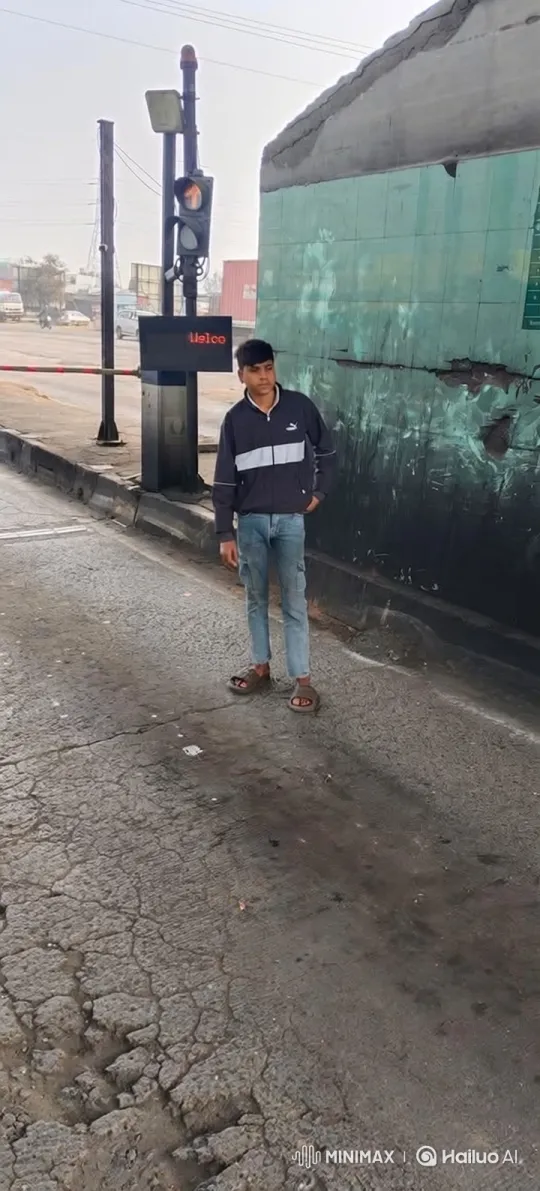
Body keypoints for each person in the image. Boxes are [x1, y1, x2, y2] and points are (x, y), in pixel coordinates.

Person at [213, 338, 335, 713]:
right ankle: (261, 667)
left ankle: (303, 680)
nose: (264, 377)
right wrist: (224, 532)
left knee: (295, 600)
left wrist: (318, 494)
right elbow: (223, 480)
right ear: (242, 376)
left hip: (290, 522)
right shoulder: (235, 420)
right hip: (249, 523)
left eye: (268, 368)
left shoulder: (300, 407)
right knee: (256, 598)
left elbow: (328, 453)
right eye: (255, 371)